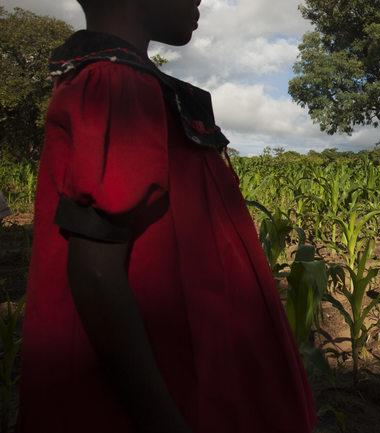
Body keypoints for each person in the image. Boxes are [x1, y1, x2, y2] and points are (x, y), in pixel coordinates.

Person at [19, 1, 316, 432]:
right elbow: (96, 273)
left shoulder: (121, 79)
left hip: (188, 366)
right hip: (172, 390)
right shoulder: (115, 82)